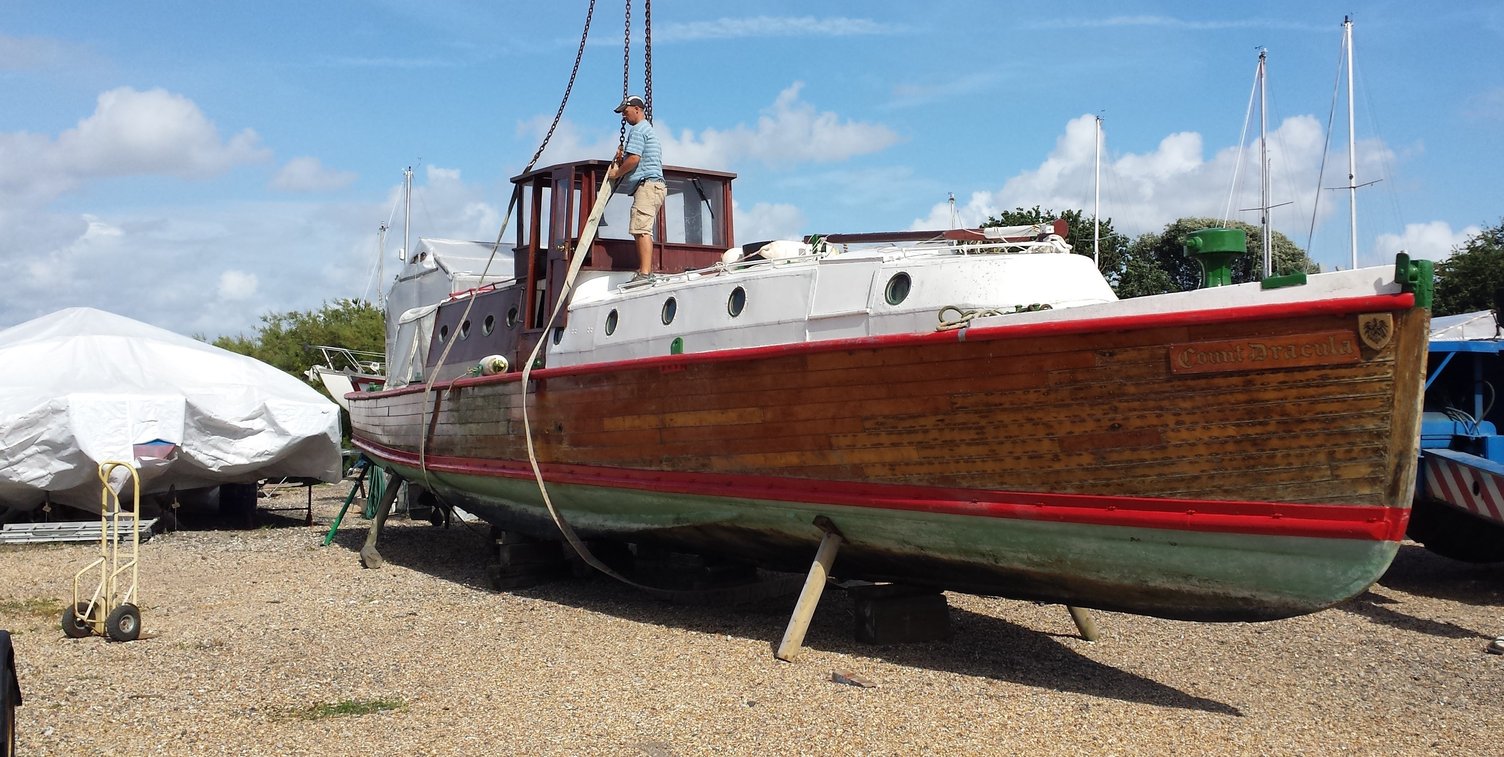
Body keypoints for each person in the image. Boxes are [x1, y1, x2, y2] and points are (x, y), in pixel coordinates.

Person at [605, 94, 665, 282]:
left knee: (641, 229)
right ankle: (645, 271)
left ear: (637, 109)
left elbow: (634, 159)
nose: (624, 115)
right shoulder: (648, 130)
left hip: (647, 185)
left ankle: (645, 273)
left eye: (625, 111)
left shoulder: (638, 130)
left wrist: (617, 173)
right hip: (652, 185)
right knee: (641, 228)